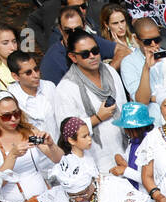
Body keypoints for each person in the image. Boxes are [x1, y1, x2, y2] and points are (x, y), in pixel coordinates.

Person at [55, 28, 129, 172]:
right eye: (85, 54)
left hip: (124, 148)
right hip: (96, 158)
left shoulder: (110, 71)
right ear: (73, 57)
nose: (92, 56)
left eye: (95, 50)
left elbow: (123, 105)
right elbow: (68, 133)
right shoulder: (66, 88)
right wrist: (97, 118)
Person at [0, 91, 65, 202]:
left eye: (16, 113)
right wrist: (12, 156)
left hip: (44, 199)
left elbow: (59, 159)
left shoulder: (28, 131)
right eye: (6, 116)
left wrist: (51, 145)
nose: (13, 119)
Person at [119, 18, 166, 105]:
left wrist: (153, 98)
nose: (153, 44)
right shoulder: (128, 63)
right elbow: (142, 101)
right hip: (149, 116)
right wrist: (146, 68)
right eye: (147, 41)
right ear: (136, 39)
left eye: (157, 40)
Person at [7, 52, 61, 145]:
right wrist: (43, 144)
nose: (36, 75)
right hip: (31, 152)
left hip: (59, 149)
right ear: (15, 76)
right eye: (28, 73)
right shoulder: (10, 97)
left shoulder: (49, 87)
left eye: (36, 69)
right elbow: (13, 132)